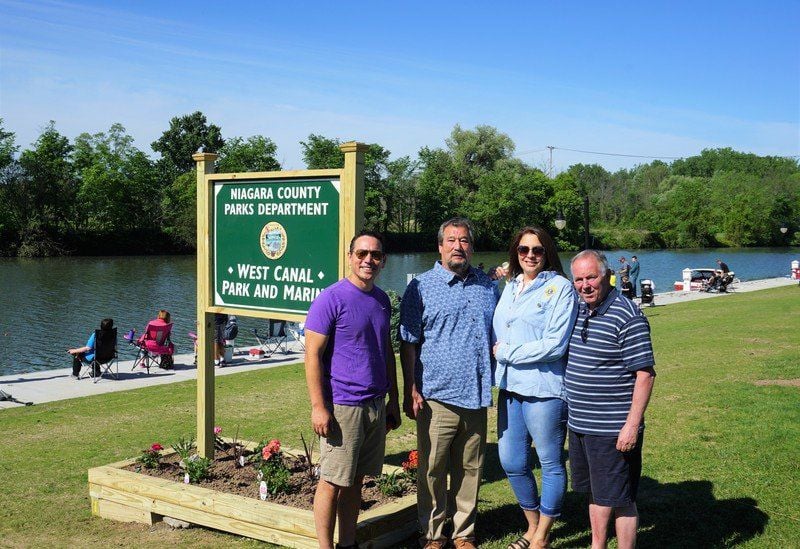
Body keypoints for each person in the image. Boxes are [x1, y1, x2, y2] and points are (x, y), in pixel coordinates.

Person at [399, 217, 499, 549]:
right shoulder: (421, 287)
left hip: (476, 394)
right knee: (432, 469)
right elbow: (409, 342)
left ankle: (464, 533)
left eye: (465, 240)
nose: (458, 246)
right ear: (440, 246)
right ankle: (431, 534)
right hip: (436, 395)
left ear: (472, 247)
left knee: (470, 469)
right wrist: (410, 388)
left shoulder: (487, 287)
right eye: (452, 240)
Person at [304, 230, 401, 549]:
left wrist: (393, 399)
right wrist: (319, 406)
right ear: (350, 257)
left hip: (375, 404)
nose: (368, 260)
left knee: (356, 480)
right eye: (362, 253)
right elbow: (312, 354)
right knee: (331, 482)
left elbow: (386, 351)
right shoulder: (330, 298)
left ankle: (347, 543)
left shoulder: (382, 300)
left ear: (383, 260)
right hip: (343, 406)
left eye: (375, 255)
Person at [492, 227, 578, 549]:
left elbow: (555, 345)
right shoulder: (511, 286)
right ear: (515, 252)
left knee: (550, 461)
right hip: (510, 387)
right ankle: (532, 525)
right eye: (523, 249)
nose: (530, 255)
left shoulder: (560, 288)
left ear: (547, 253)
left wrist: (507, 353)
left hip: (544, 389)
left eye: (537, 250)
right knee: (512, 461)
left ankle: (541, 536)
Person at [566, 250, 656, 549]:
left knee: (621, 498)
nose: (585, 285)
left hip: (612, 428)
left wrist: (631, 426)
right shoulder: (580, 307)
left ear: (607, 276)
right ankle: (598, 545)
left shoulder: (627, 315)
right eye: (578, 279)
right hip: (581, 425)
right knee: (596, 492)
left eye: (591, 277)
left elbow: (645, 375)